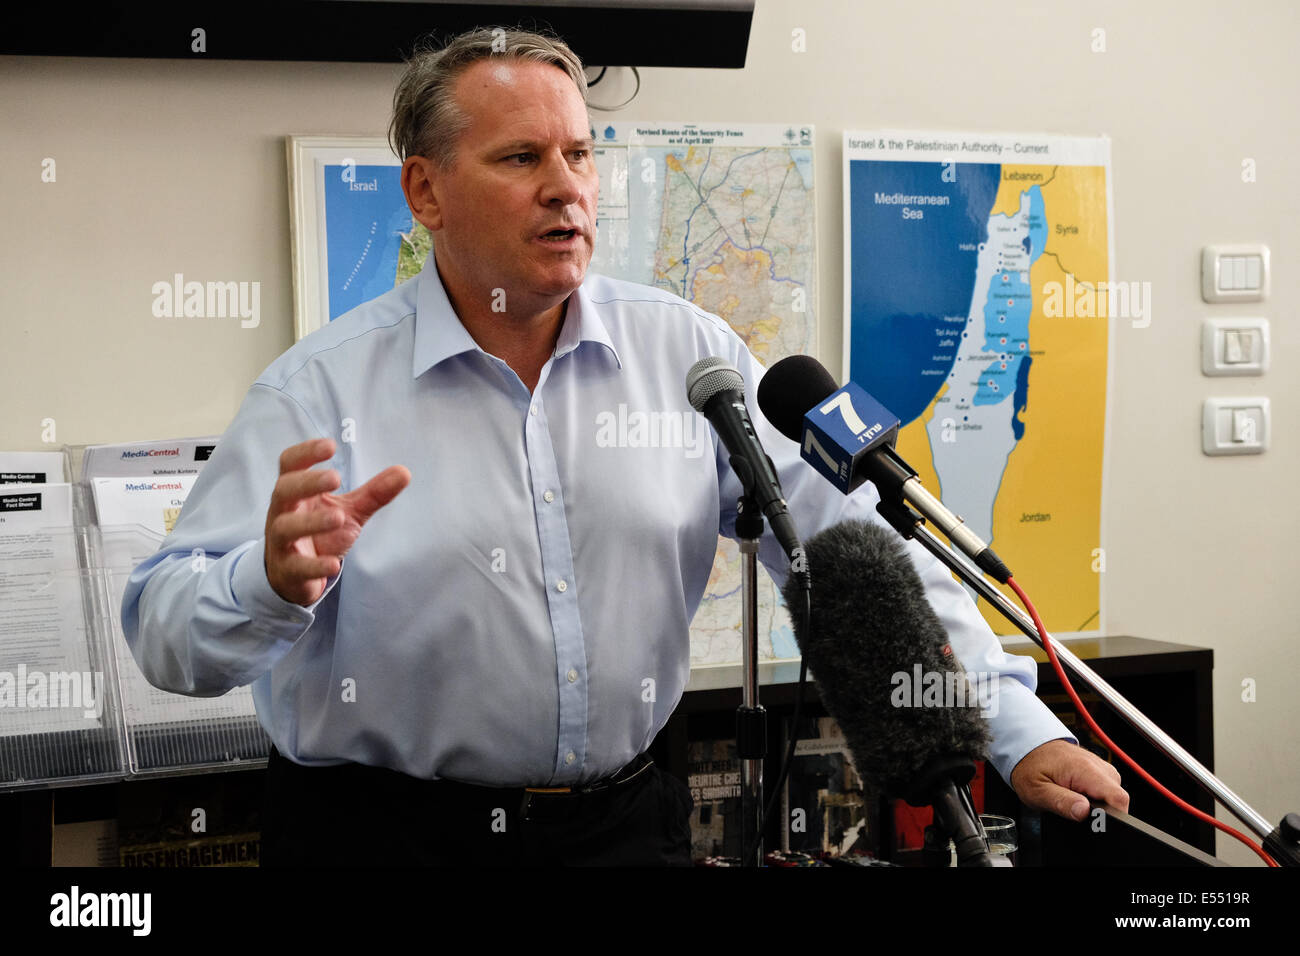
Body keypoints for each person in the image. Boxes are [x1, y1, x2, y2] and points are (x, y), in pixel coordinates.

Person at [122, 26, 1128, 866]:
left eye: (580, 154)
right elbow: (162, 629)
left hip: (624, 829)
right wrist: (263, 581)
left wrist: (1014, 726)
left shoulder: (693, 359)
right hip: (388, 835)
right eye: (521, 159)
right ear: (425, 194)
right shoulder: (317, 391)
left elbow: (858, 555)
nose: (566, 188)